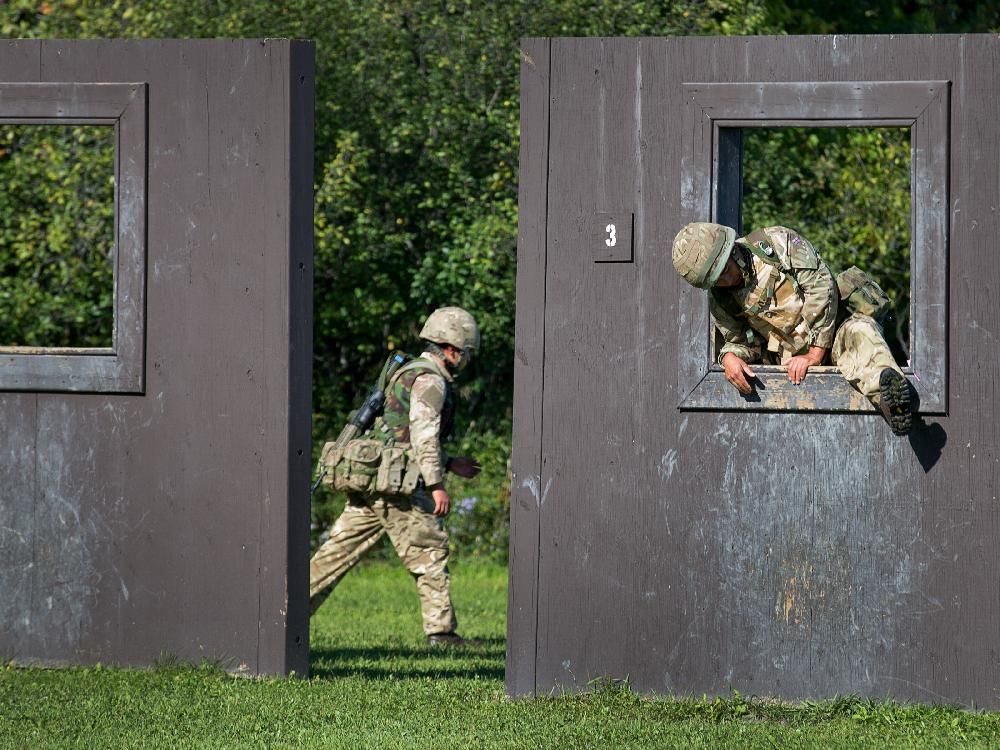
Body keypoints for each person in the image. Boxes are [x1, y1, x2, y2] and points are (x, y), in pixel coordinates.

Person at [309, 306, 483, 645]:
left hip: (374, 481)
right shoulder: (431, 380)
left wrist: (448, 463)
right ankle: (442, 633)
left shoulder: (407, 371)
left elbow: (396, 435)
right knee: (430, 549)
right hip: (397, 488)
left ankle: (284, 614)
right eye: (466, 353)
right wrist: (436, 484)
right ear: (451, 349)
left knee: (335, 554)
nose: (466, 360)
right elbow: (422, 437)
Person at [671, 222, 913, 435]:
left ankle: (893, 403)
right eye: (715, 281)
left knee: (862, 330)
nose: (725, 281)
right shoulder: (721, 298)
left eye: (724, 270)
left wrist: (815, 352)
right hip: (789, 366)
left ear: (731, 250)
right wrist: (730, 357)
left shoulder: (777, 243)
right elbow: (741, 342)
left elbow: (821, 286)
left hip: (832, 334)